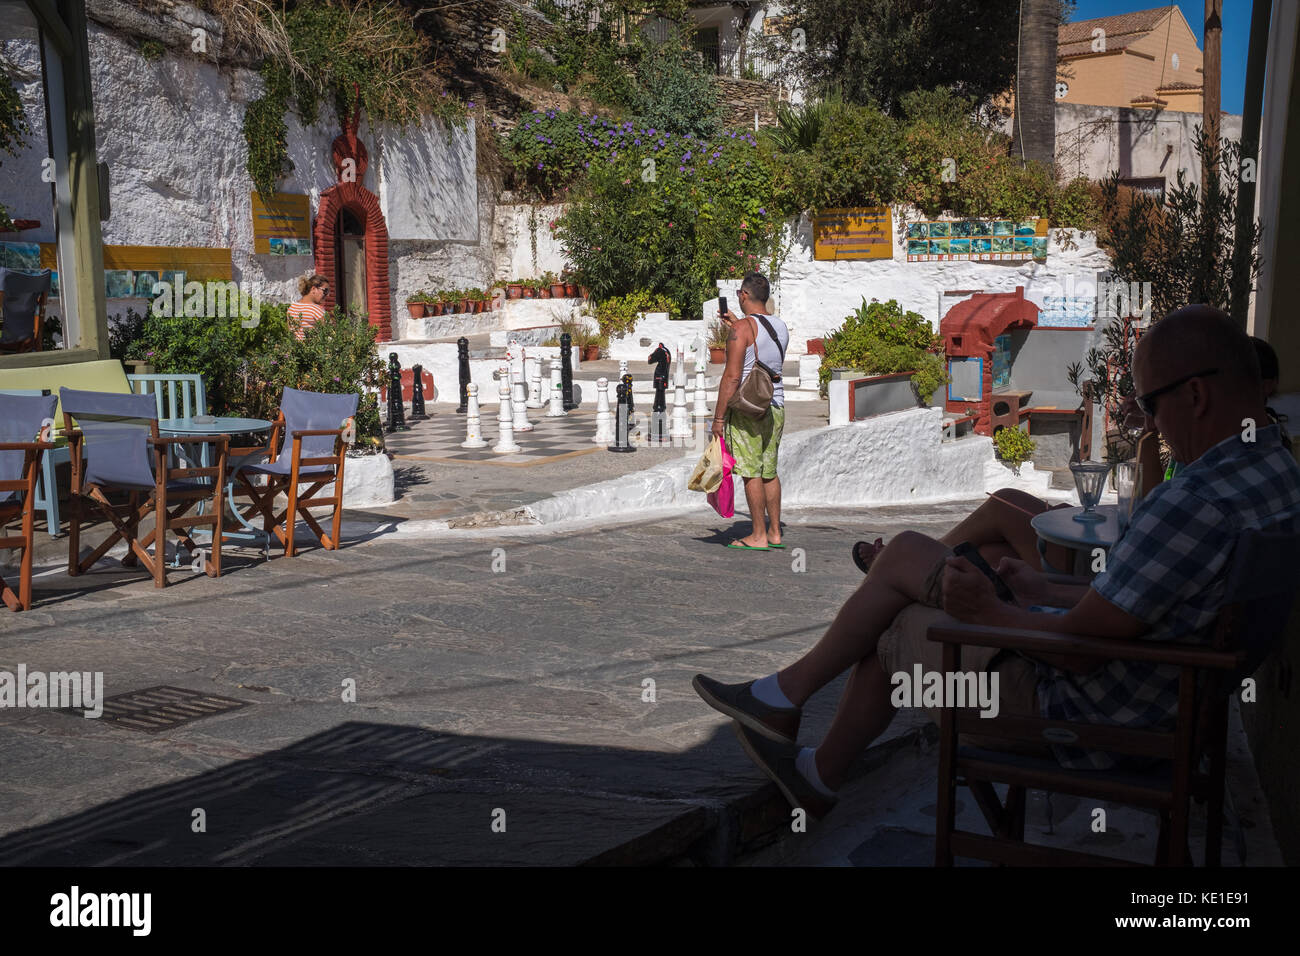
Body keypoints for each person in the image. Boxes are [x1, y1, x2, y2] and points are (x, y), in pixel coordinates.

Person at [694, 305, 1300, 819]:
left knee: (896, 624)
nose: (1147, 421)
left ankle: (800, 729)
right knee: (935, 564)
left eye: (1150, 405)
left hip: (1087, 719)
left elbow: (1074, 648)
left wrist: (992, 611)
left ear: (1195, 394)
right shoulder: (1276, 476)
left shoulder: (1193, 501)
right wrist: (1041, 586)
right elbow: (1131, 610)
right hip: (1166, 703)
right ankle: (803, 734)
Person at [713, 272, 790, 551]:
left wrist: (719, 418)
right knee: (769, 471)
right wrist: (737, 324)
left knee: (751, 471)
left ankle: (757, 535)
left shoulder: (741, 330)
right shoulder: (780, 326)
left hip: (748, 409)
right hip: (776, 406)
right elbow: (764, 351)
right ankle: (774, 533)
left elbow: (732, 377)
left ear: (744, 295)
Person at [289, 274, 329, 340]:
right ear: (313, 289)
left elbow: (291, 334)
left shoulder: (292, 308)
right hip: (314, 349)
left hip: (296, 349)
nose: (328, 295)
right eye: (325, 291)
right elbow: (330, 333)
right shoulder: (317, 310)